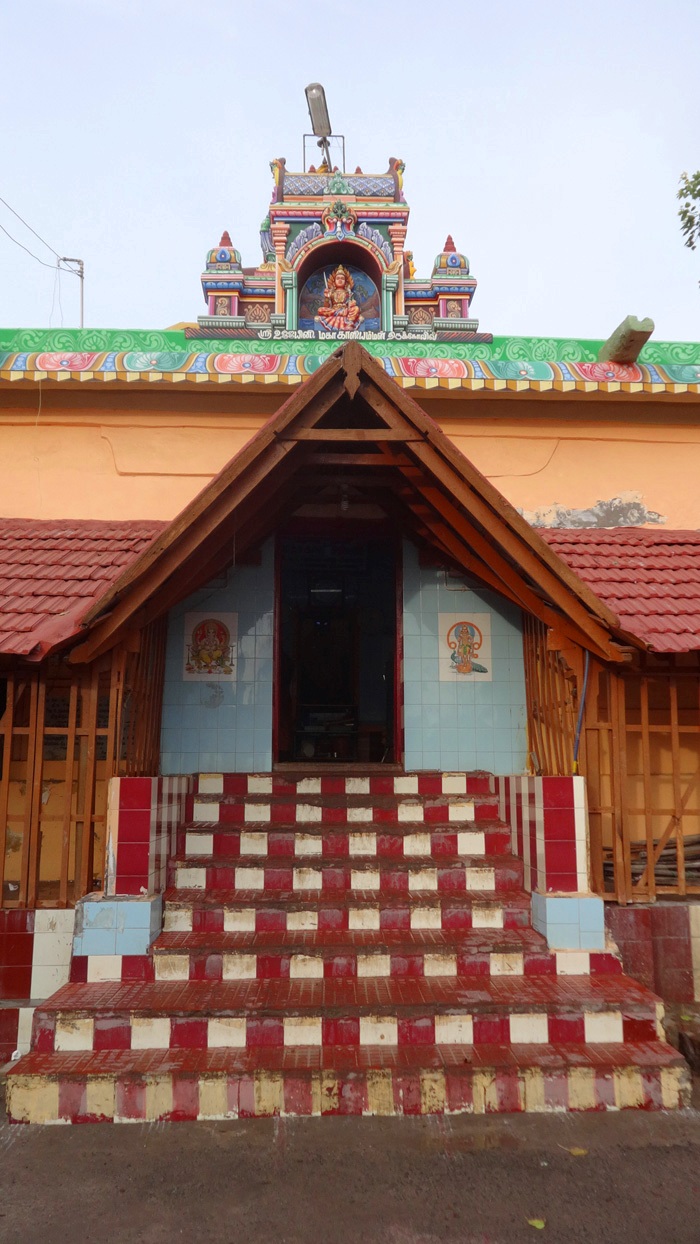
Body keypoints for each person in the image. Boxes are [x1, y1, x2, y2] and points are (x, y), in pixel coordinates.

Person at [316, 266, 364, 332]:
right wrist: (327, 297)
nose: (340, 280)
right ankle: (339, 314)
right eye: (338, 278)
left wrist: (352, 303)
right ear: (334, 282)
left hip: (345, 311)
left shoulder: (348, 293)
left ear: (346, 282)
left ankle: (349, 324)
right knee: (320, 310)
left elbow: (351, 304)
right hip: (334, 311)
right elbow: (326, 306)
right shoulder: (331, 293)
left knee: (356, 309)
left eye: (342, 278)